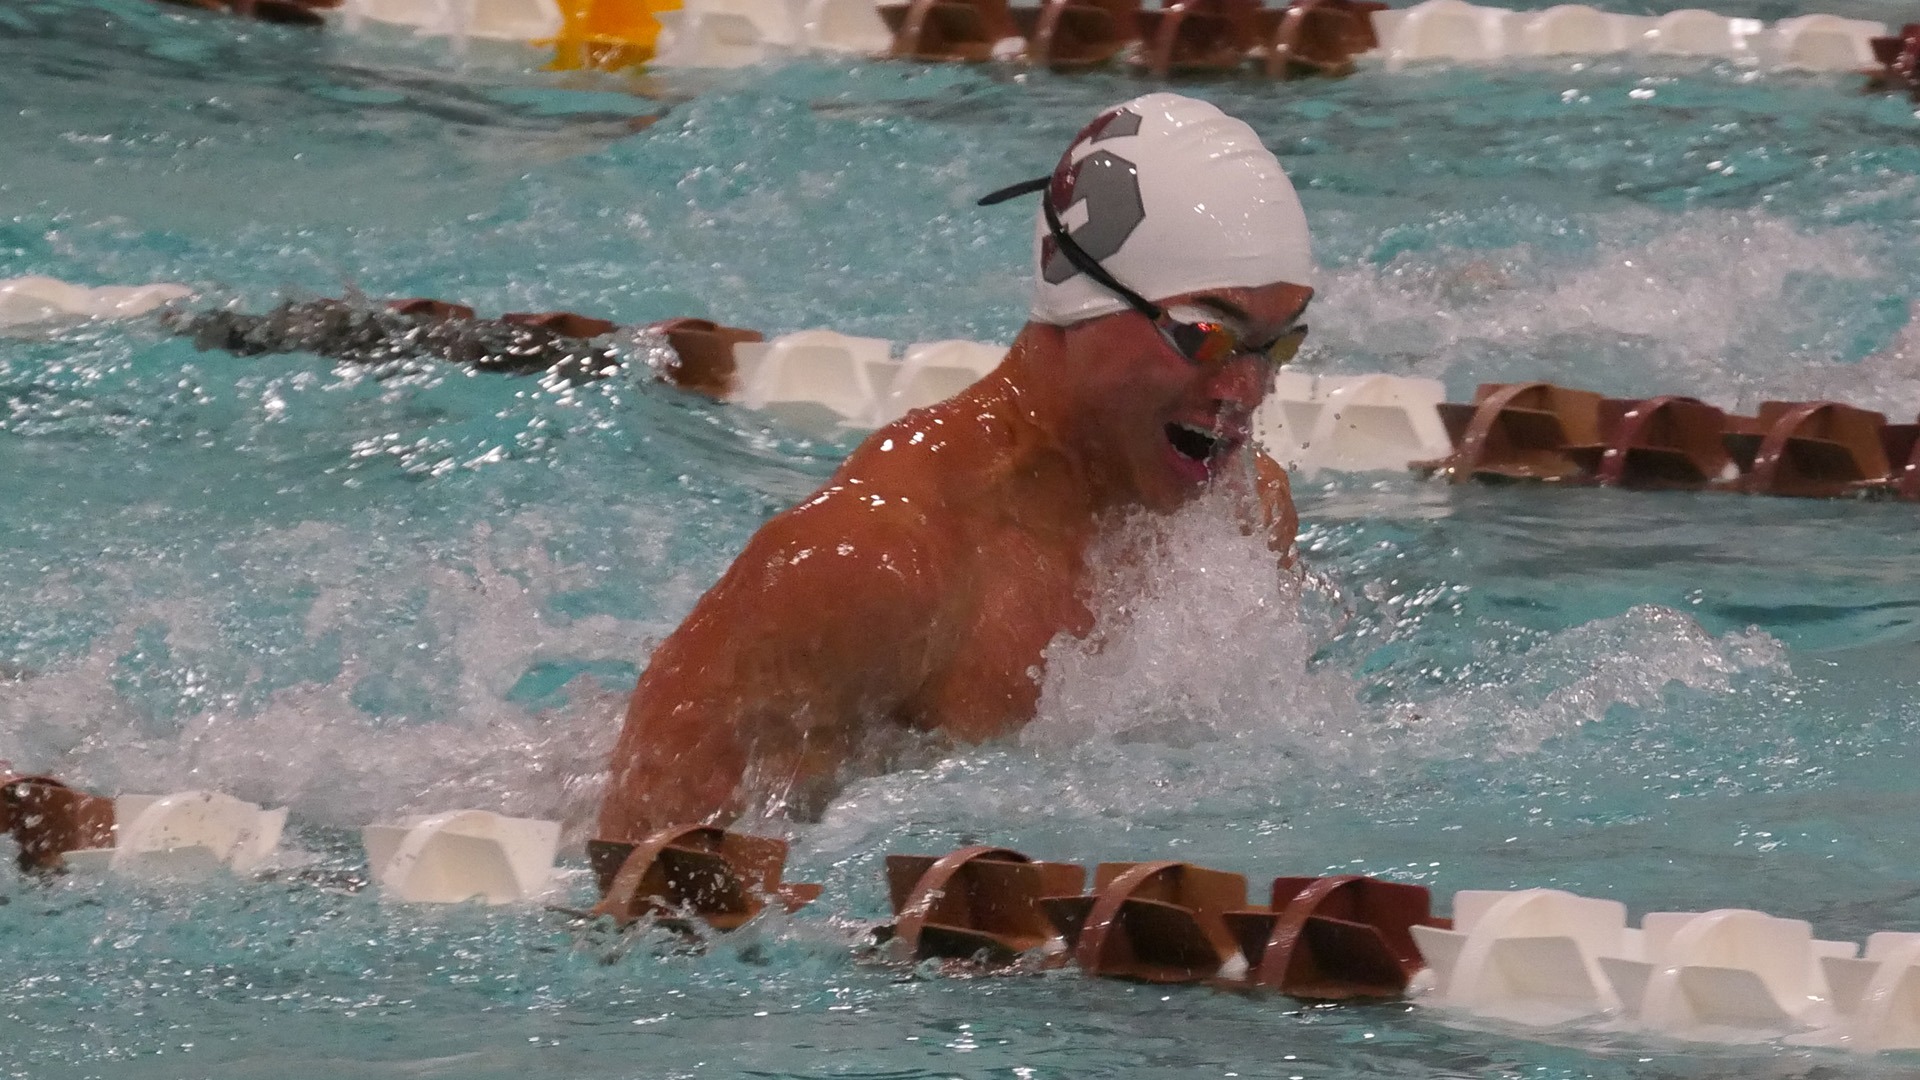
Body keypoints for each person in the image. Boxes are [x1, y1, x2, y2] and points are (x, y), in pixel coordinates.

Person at [596, 92, 1316, 842]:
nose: (1247, 390)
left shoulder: (1245, 514)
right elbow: (644, 870)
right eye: (1205, 334)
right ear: (1081, 295)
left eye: (1276, 345)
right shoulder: (874, 565)